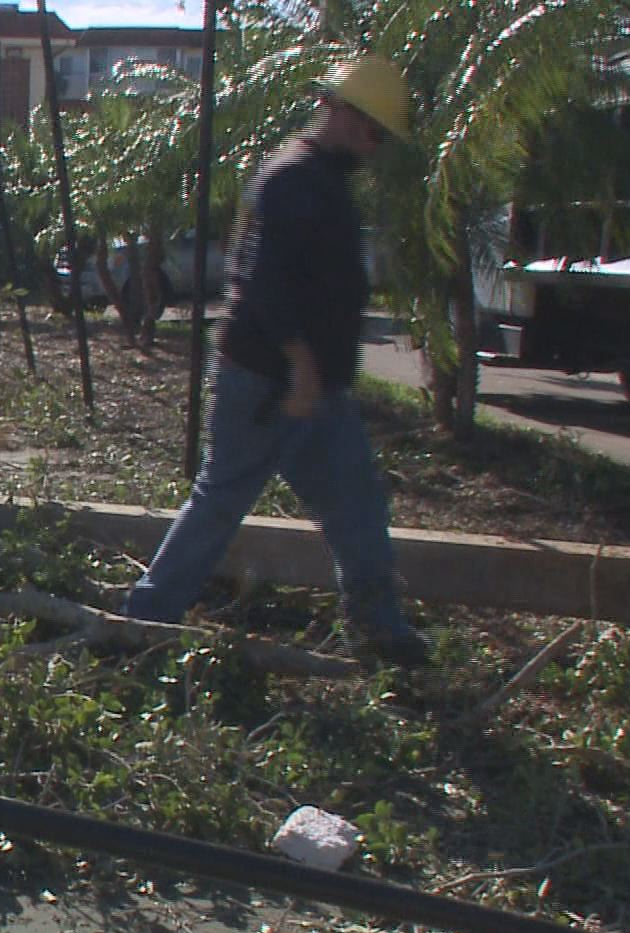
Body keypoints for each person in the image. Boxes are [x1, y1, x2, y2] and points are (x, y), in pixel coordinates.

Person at [121, 54, 431, 667]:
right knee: (221, 502)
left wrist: (319, 373)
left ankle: (380, 629)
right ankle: (140, 623)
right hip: (269, 385)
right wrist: (300, 364)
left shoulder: (324, 183)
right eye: (373, 132)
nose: (375, 147)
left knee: (357, 503)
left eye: (382, 138)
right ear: (340, 113)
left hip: (313, 390)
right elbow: (258, 282)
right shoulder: (291, 182)